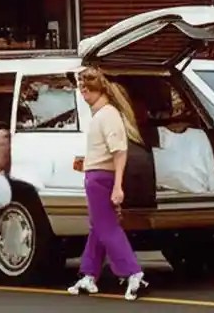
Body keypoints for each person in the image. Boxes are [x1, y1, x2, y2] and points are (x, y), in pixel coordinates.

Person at [68, 67, 148, 301]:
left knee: (107, 228)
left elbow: (119, 151)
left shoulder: (107, 115)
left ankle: (133, 272)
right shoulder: (102, 115)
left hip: (101, 178)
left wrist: (118, 186)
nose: (83, 95)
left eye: (85, 89)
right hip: (97, 173)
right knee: (98, 227)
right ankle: (89, 274)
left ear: (96, 89)